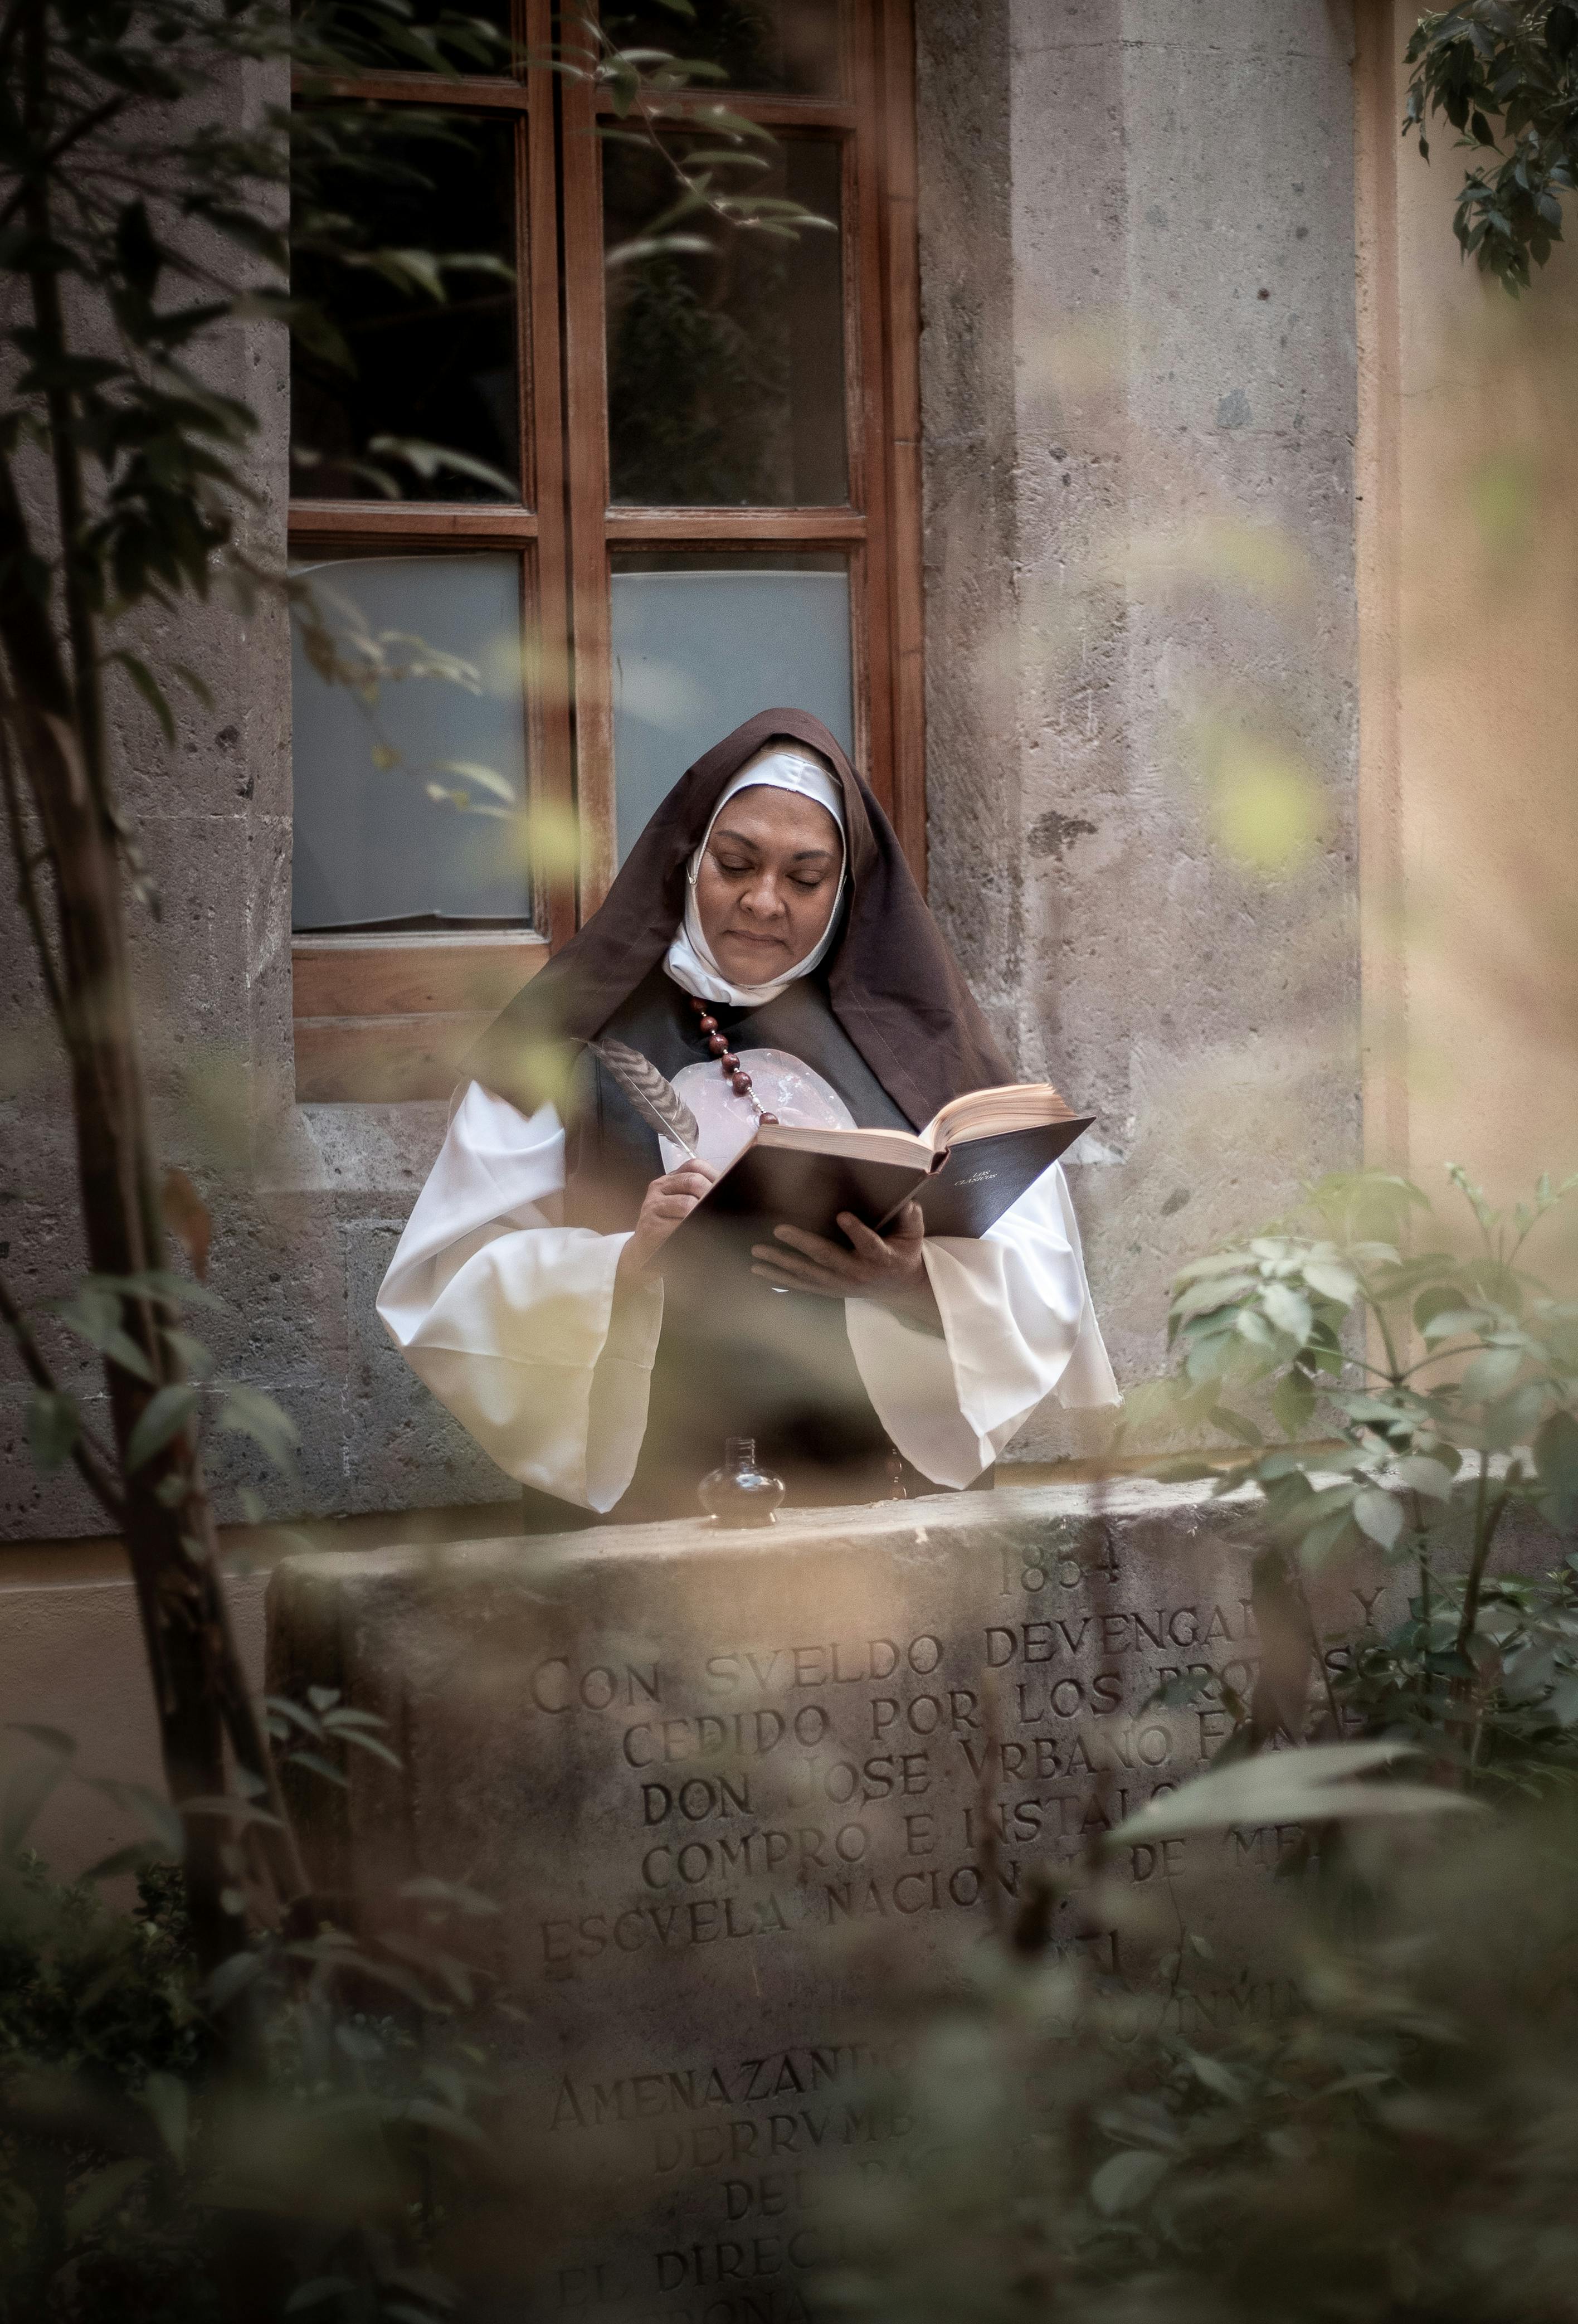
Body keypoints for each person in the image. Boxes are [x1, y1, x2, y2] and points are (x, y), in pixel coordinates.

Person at [377, 708, 1118, 1526]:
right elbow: (447, 1282)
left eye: (805, 879)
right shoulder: (571, 1030)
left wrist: (913, 1282)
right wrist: (622, 1262)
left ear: (846, 890)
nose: (765, 902)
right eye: (735, 864)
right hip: (655, 1501)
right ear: (687, 861)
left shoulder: (919, 1038)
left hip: (874, 1496)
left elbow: (1043, 1270)